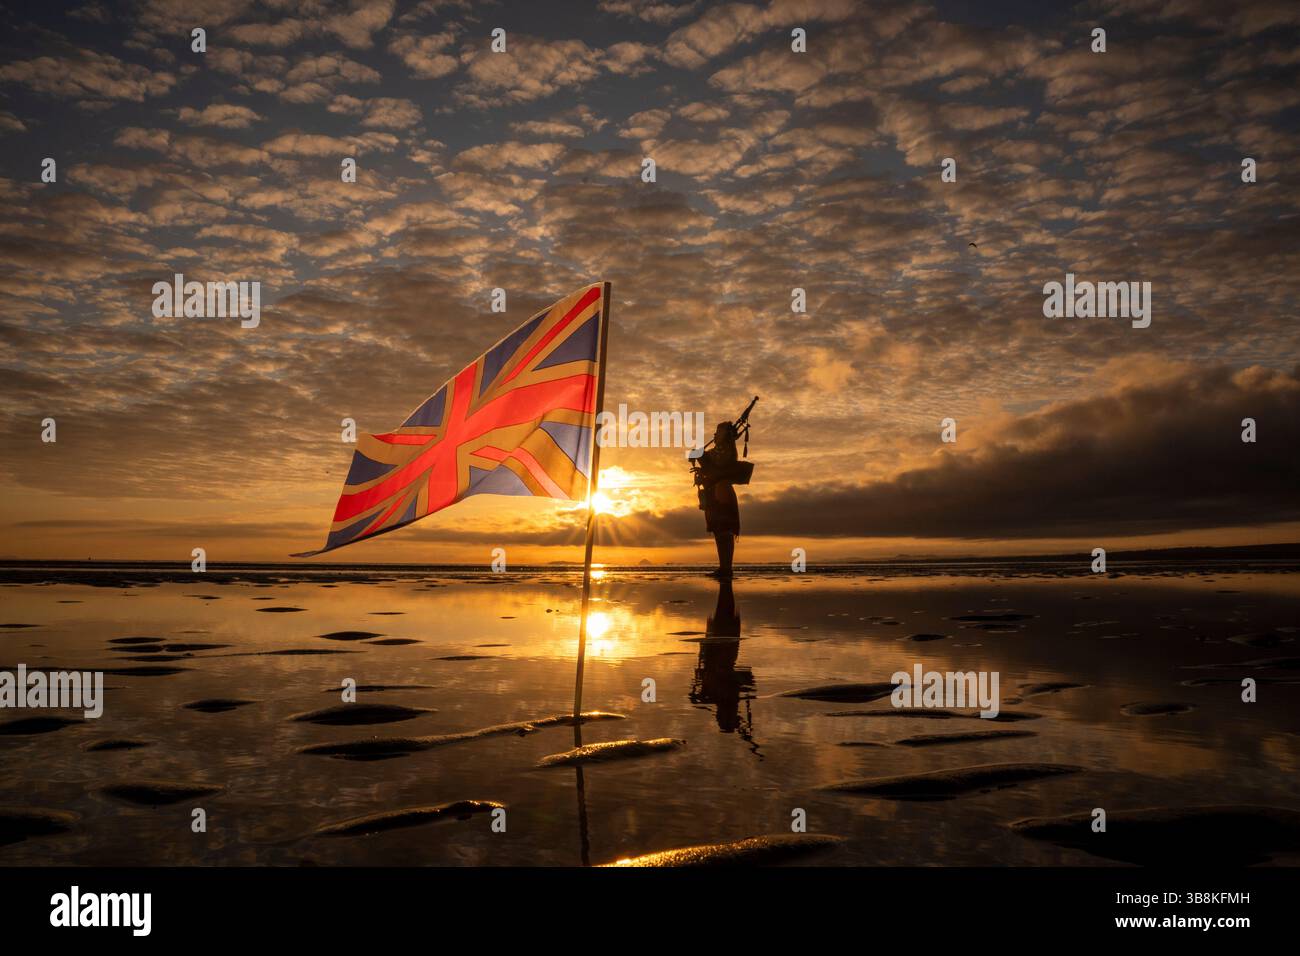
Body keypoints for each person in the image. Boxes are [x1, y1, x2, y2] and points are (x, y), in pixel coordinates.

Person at [696, 421, 741, 580]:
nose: (714, 435)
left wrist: (701, 458)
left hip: (722, 492)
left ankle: (726, 569)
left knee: (724, 530)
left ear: (726, 435)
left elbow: (718, 467)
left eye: (718, 432)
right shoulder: (718, 451)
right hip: (715, 492)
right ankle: (724, 568)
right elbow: (710, 466)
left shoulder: (727, 450)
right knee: (719, 530)